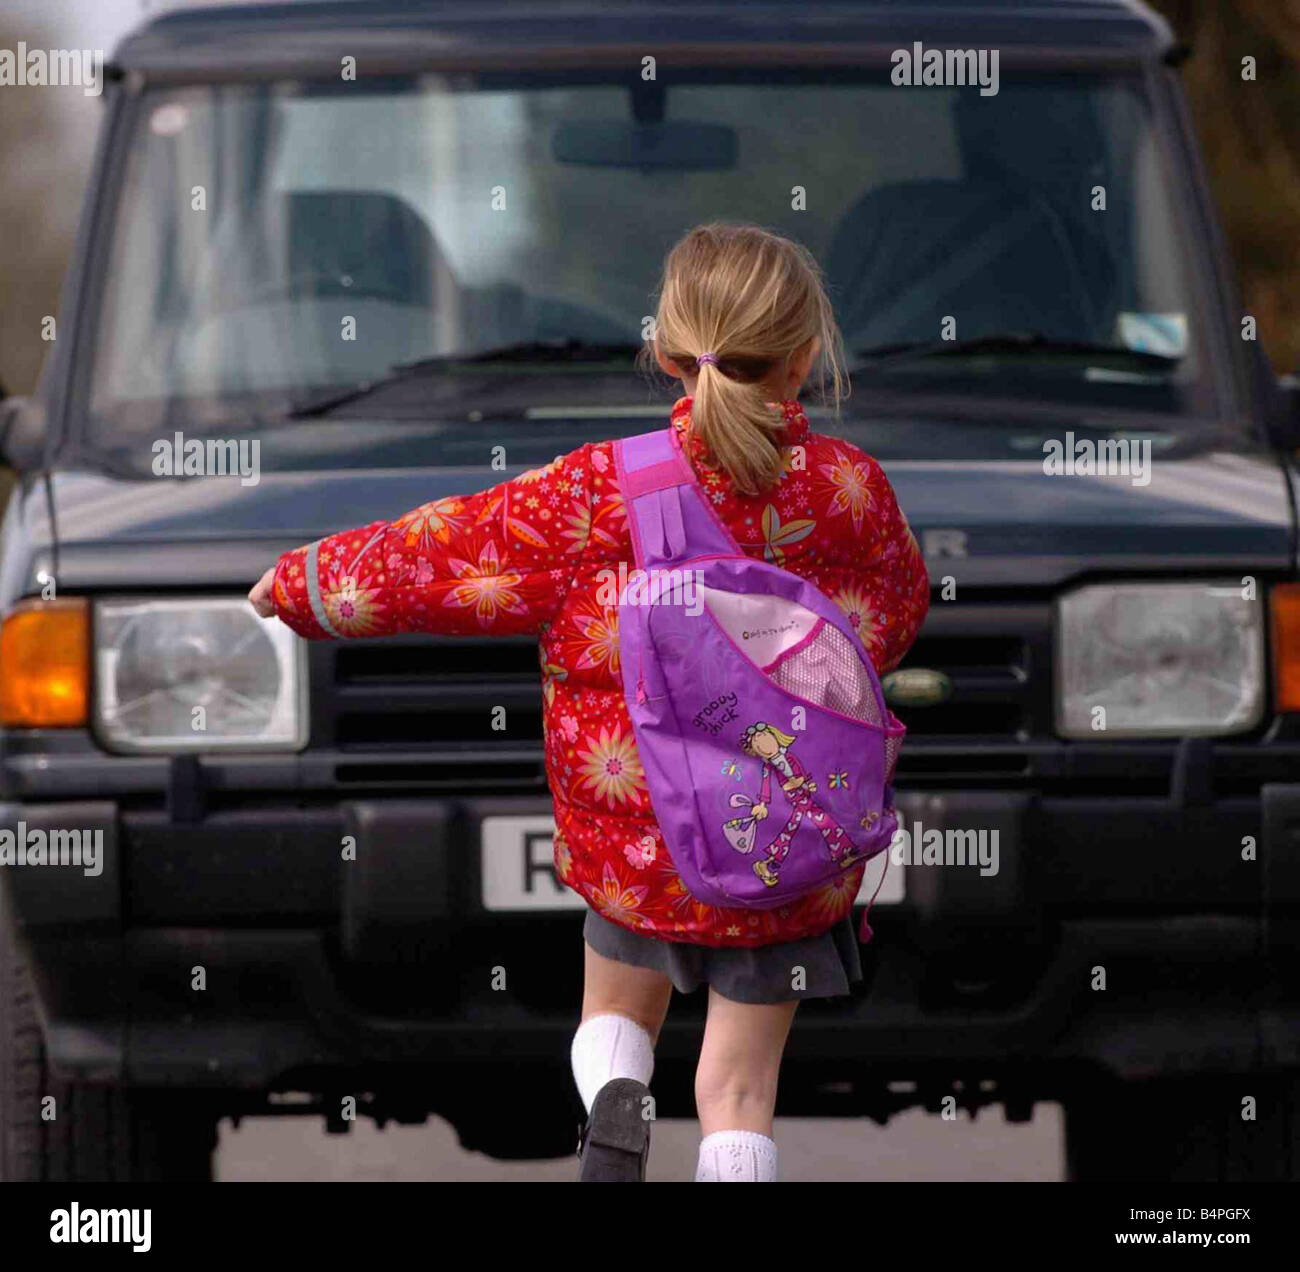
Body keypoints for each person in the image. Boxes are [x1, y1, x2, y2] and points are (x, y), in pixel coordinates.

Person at [249, 222, 930, 1182]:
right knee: (740, 1091)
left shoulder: (600, 490)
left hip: (638, 835)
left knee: (612, 1013)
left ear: (664, 351)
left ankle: (616, 1089)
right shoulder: (854, 492)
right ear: (808, 354)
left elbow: (445, 557)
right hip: (787, 838)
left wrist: (299, 585)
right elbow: (891, 622)